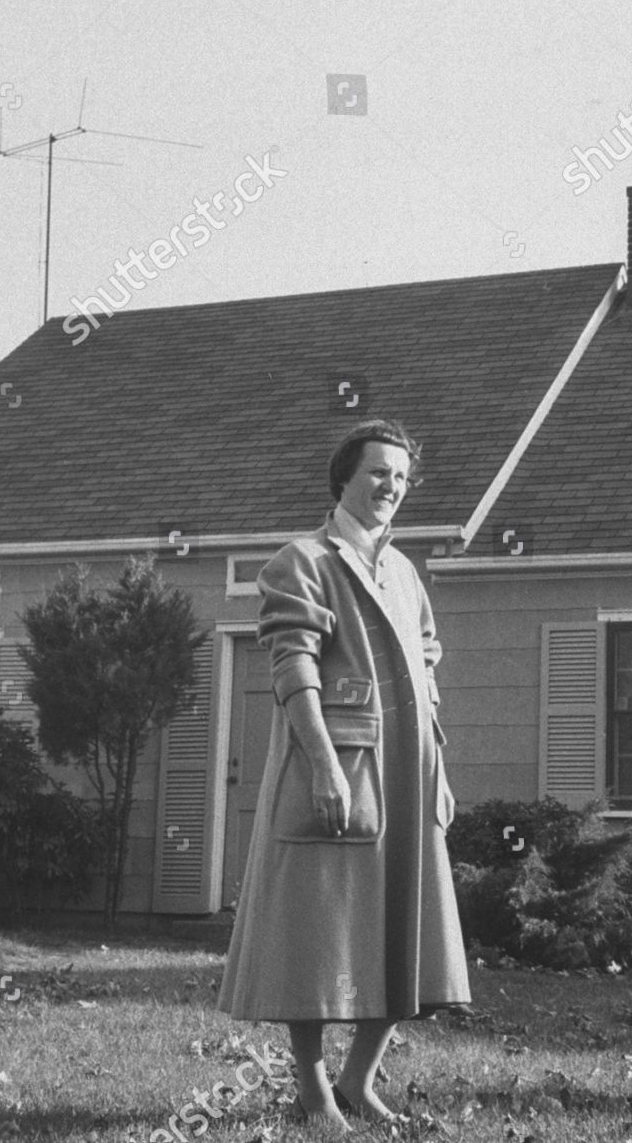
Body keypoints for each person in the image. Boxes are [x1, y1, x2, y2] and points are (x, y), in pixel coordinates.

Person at [215, 418, 471, 1130]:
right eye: (378, 472)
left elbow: (427, 669)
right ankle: (312, 1088)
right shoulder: (303, 560)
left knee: (406, 925)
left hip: (410, 770)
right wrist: (323, 763)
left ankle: (360, 1079)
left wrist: (439, 764)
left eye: (401, 475)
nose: (391, 485)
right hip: (336, 763)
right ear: (344, 479)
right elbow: (292, 665)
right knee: (315, 930)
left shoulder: (405, 571)